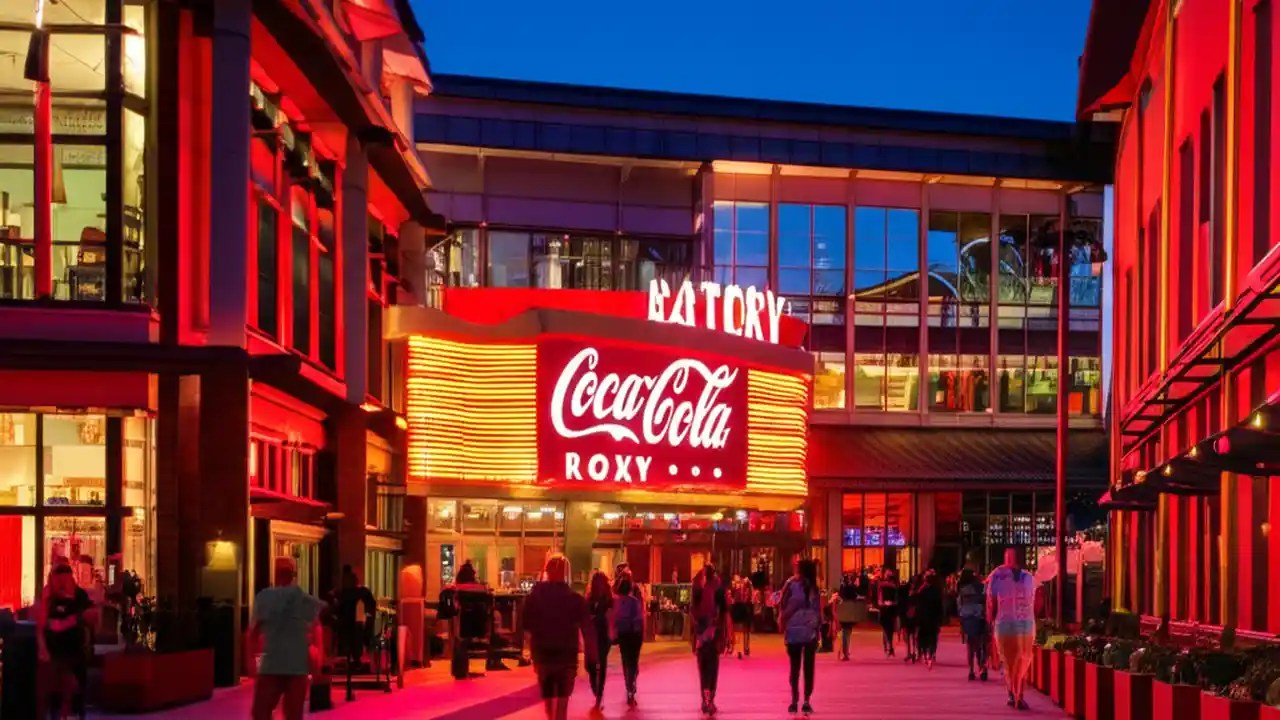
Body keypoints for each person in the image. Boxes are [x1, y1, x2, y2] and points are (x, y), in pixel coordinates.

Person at [250, 557, 324, 720]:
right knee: (277, 712)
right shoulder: (297, 598)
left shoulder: (266, 597)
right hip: (285, 665)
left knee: (270, 711)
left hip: (283, 665)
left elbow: (255, 632)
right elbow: (317, 627)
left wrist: (254, 662)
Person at [523, 554, 589, 720]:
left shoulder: (534, 597)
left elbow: (526, 624)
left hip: (542, 652)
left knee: (547, 693)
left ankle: (550, 716)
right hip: (566, 653)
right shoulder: (574, 599)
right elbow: (585, 625)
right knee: (563, 695)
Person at [38, 564, 96, 720]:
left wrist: (73, 619)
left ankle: (71, 711)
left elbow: (91, 616)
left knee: (71, 680)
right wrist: (43, 648)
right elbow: (42, 626)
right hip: (53, 651)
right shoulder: (48, 596)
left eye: (65, 576)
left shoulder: (79, 595)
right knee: (50, 682)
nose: (61, 581)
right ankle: (54, 712)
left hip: (73, 649)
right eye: (58, 576)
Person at [987, 548, 1038, 710]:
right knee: (1017, 660)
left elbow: (991, 603)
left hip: (1012, 625)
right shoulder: (1026, 578)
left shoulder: (998, 576)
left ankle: (1015, 694)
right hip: (1016, 625)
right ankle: (1016, 694)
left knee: (1015, 661)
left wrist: (991, 621)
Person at [779, 559, 821, 714]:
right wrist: (818, 629)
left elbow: (783, 606)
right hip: (809, 631)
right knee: (809, 667)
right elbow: (818, 610)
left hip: (794, 631)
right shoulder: (813, 588)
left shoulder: (790, 585)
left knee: (794, 667)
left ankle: (794, 700)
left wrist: (783, 621)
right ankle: (807, 700)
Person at [690, 564, 731, 716]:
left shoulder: (697, 589)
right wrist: (728, 637)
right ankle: (710, 698)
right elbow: (725, 614)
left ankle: (705, 696)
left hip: (701, 635)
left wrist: (693, 638)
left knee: (703, 667)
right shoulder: (719, 590)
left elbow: (693, 614)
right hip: (715, 634)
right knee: (713, 667)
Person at [613, 570, 645, 707]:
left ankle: (629, 685)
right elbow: (638, 619)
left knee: (626, 661)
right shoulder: (634, 601)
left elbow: (615, 619)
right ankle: (631, 684)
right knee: (633, 661)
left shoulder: (617, 603)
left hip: (623, 635)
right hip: (634, 635)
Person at [335, 565, 377, 670]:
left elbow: (340, 606)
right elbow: (371, 605)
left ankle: (353, 660)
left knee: (351, 641)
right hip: (356, 620)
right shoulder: (362, 592)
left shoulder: (344, 593)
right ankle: (356, 660)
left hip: (349, 621)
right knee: (355, 640)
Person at [584, 570, 614, 709]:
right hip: (591, 635)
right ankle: (596, 690)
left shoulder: (608, 599)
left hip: (603, 634)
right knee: (590, 665)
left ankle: (599, 694)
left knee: (601, 664)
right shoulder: (589, 598)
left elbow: (612, 615)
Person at [957, 568, 989, 681]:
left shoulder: (963, 590)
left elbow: (959, 607)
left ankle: (971, 670)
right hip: (981, 617)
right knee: (983, 644)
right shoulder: (983, 588)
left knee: (970, 645)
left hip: (968, 619)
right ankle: (983, 667)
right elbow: (988, 603)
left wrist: (961, 620)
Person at [914, 570, 944, 669]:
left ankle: (924, 653)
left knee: (923, 637)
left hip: (923, 618)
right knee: (932, 637)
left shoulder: (921, 590)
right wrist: (940, 618)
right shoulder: (936, 591)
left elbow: (917, 604)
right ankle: (930, 654)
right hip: (933, 618)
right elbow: (939, 606)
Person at [833, 574, 861, 661]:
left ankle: (845, 652)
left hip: (845, 611)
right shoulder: (851, 588)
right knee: (848, 632)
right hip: (850, 611)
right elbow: (855, 597)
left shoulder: (843, 589)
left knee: (845, 632)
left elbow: (840, 600)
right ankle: (846, 651)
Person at [876, 569, 899, 657]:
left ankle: (888, 646)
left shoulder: (882, 585)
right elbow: (896, 599)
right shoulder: (894, 586)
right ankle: (889, 646)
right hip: (890, 608)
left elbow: (879, 597)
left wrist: (881, 603)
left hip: (885, 608)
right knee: (889, 629)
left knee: (886, 629)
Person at [730, 575, 754, 659]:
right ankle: (740, 649)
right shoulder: (736, 588)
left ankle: (744, 648)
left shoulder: (745, 587)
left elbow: (750, 596)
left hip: (741, 608)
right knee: (739, 630)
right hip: (739, 608)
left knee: (743, 630)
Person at [899, 574, 920, 663]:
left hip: (912, 616)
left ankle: (913, 652)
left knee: (913, 636)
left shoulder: (917, 592)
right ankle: (911, 652)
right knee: (909, 636)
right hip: (910, 615)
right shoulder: (906, 591)